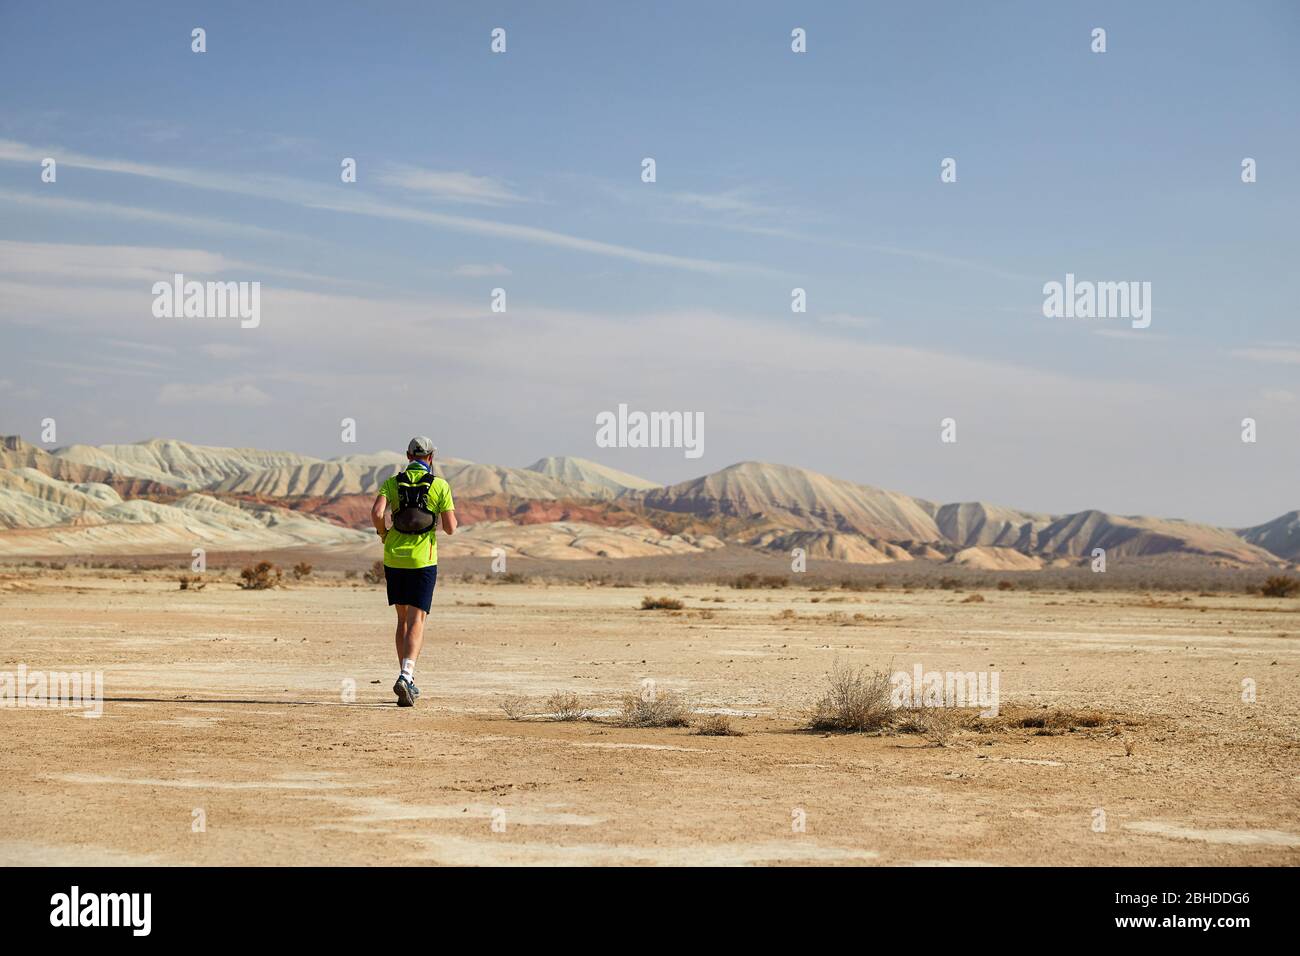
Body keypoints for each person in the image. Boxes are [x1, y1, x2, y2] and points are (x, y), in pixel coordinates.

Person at [370, 436, 456, 707]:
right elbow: (451, 527)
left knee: (402, 620)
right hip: (423, 560)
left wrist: (383, 532)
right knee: (418, 620)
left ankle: (407, 678)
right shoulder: (440, 485)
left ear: (408, 456)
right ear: (431, 457)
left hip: (394, 558)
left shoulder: (392, 482)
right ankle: (406, 675)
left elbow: (376, 511)